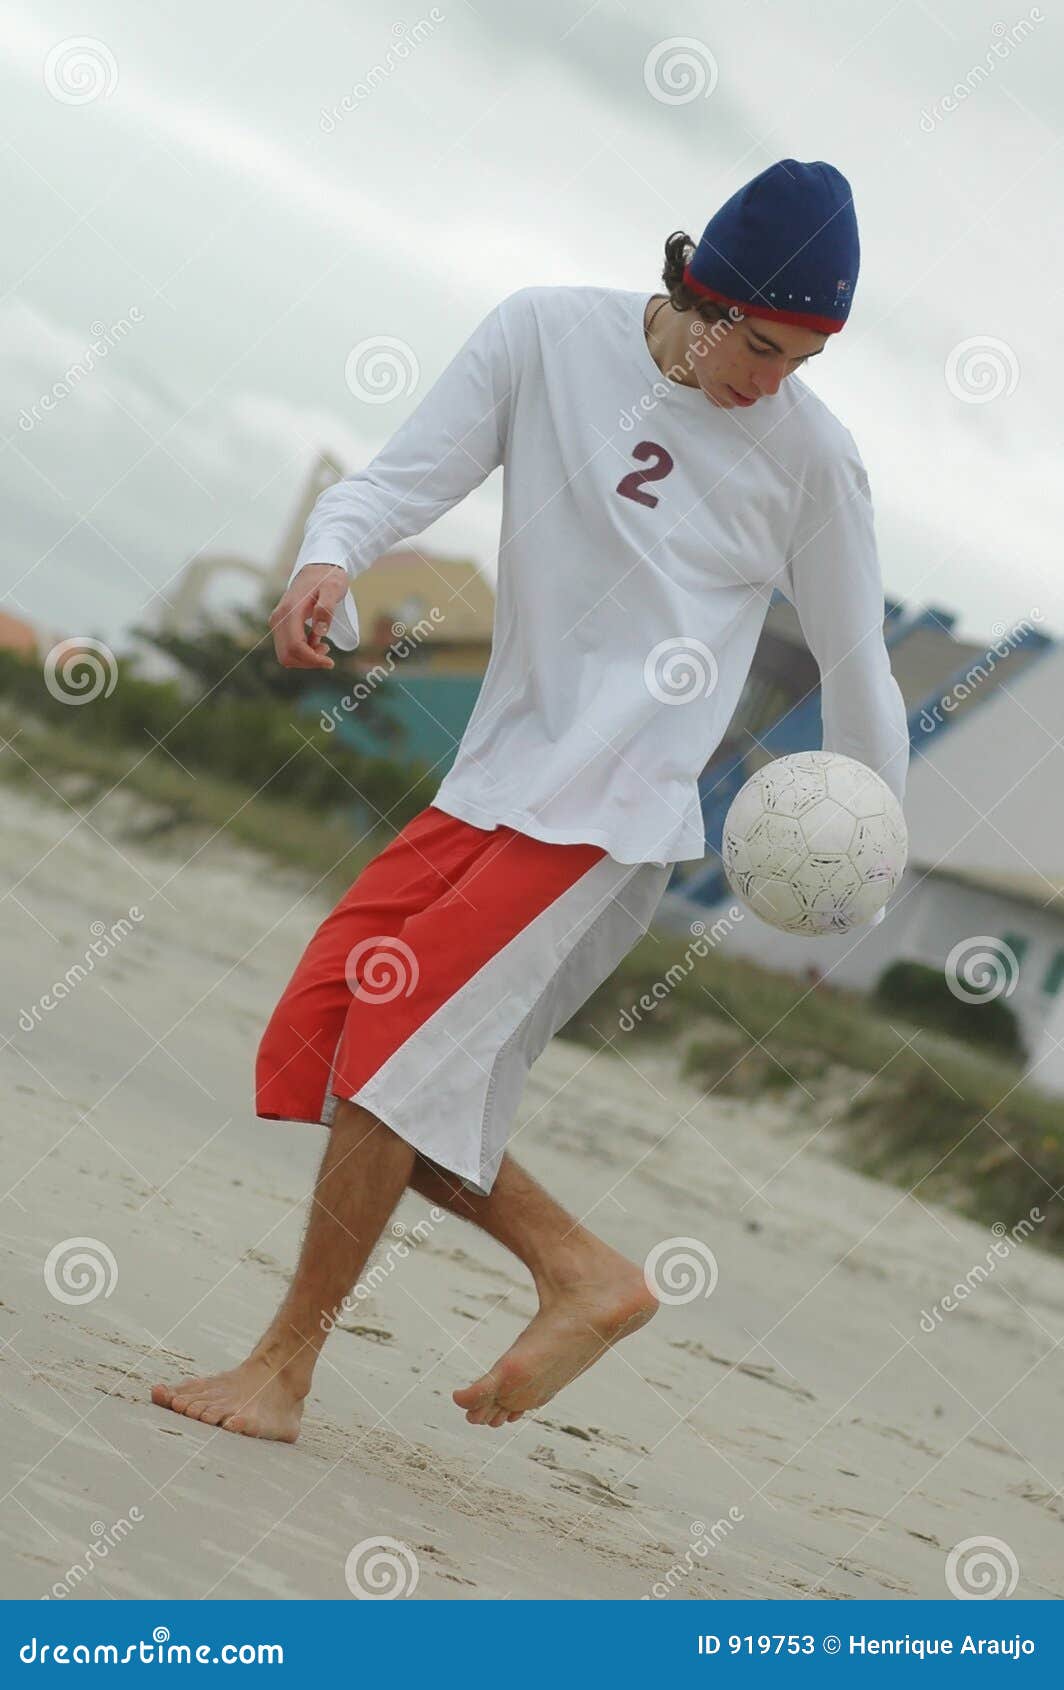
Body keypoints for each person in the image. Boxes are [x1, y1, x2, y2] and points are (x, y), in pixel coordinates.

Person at [152, 159, 909, 1442]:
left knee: (396, 1065)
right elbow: (403, 475)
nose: (768, 380)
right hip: (490, 785)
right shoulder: (543, 334)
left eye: (800, 359)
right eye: (757, 343)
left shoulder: (812, 461)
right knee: (337, 1033)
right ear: (693, 287)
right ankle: (578, 1270)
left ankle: (282, 1369)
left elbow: (857, 664)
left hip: (610, 817)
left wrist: (866, 840)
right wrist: (331, 555)